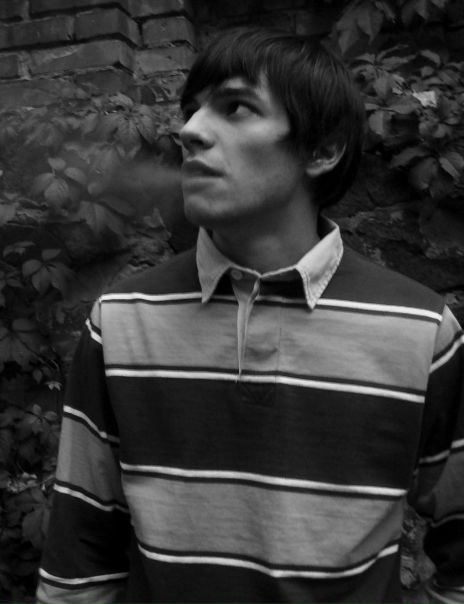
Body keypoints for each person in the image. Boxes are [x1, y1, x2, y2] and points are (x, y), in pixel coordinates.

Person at [37, 27, 464, 604]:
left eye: (236, 107)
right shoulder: (120, 321)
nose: (189, 131)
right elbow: (79, 565)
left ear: (323, 149)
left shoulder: (421, 329)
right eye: (191, 111)